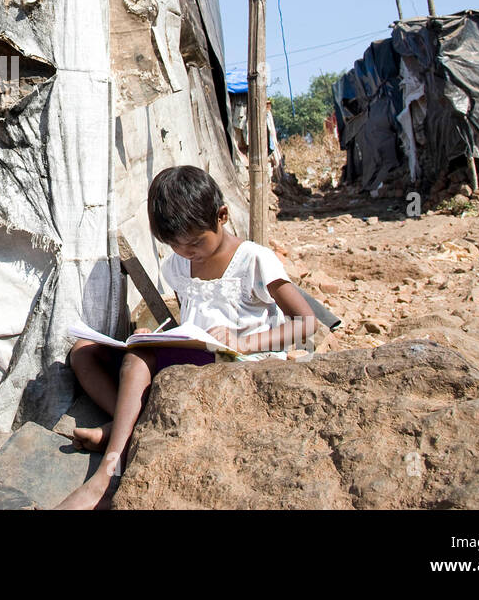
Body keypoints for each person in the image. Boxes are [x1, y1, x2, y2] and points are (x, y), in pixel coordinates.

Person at [56, 165, 317, 510]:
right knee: (83, 352)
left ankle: (107, 475)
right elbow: (193, 320)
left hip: (238, 363)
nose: (187, 252)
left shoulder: (254, 260)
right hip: (195, 358)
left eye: (194, 241)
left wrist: (244, 342)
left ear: (221, 216)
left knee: (137, 362)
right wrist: (156, 337)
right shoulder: (178, 266)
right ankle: (132, 427)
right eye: (175, 246)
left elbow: (307, 324)